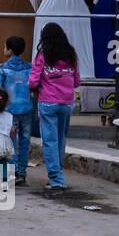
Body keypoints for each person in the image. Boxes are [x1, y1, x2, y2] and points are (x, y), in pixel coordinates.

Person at [30, 22, 81, 191]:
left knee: (50, 141)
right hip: (66, 103)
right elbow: (76, 82)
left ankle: (56, 178)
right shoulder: (71, 54)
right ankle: (57, 173)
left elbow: (33, 82)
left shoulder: (43, 55)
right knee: (60, 139)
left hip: (48, 102)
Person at [0, 35, 36, 185]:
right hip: (27, 109)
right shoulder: (30, 67)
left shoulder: (2, 69)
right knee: (25, 142)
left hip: (10, 110)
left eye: (5, 46)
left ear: (10, 50)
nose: (3, 49)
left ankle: (12, 173)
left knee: (10, 142)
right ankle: (22, 173)